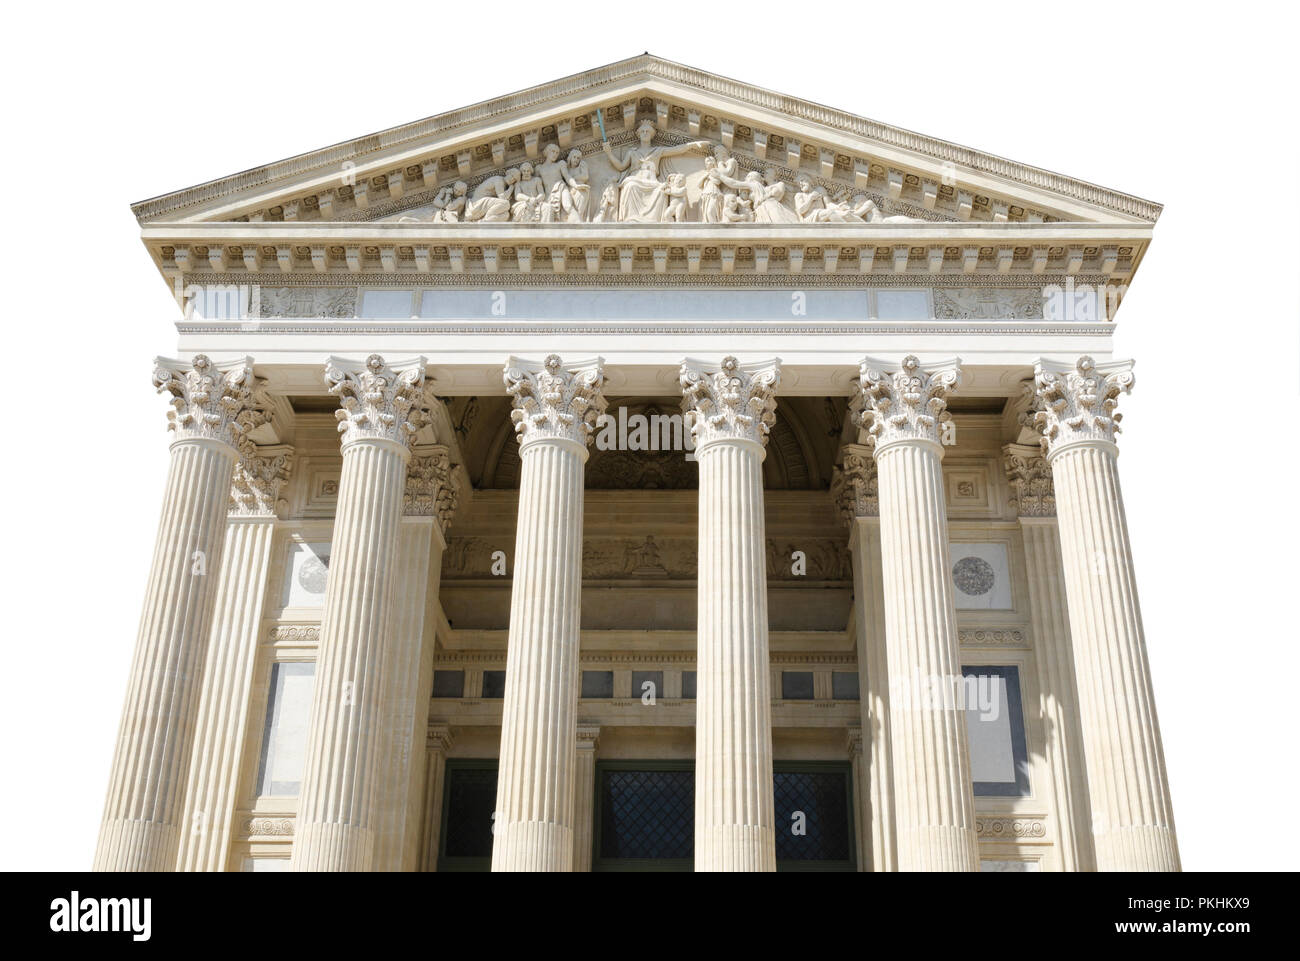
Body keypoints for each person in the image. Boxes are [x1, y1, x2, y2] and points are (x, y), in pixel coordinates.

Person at [601, 119, 709, 222]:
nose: (645, 133)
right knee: (630, 185)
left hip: (652, 182)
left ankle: (653, 221)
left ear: (652, 134)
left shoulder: (658, 151)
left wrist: (691, 145)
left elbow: (676, 150)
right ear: (638, 134)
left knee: (661, 189)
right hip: (635, 180)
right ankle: (631, 219)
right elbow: (620, 166)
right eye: (642, 131)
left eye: (647, 131)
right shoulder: (632, 152)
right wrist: (609, 152)